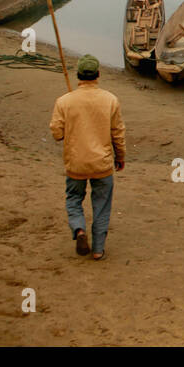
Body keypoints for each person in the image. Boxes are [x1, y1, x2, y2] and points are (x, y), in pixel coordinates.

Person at [49, 54, 125, 261]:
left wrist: (69, 126)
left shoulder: (64, 101)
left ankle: (79, 229)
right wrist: (121, 156)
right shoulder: (110, 100)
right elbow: (118, 132)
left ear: (79, 76)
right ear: (98, 75)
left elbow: (56, 133)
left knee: (74, 199)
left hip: (76, 163)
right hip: (102, 163)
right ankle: (98, 250)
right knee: (101, 205)